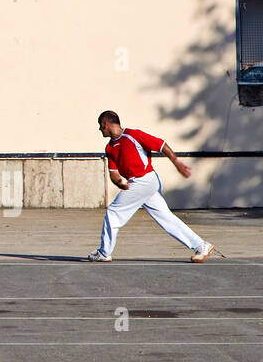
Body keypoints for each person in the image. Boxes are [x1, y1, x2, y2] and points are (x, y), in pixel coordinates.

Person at [88, 110, 215, 263]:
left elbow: (162, 145)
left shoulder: (133, 135)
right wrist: (120, 183)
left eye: (100, 126)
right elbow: (113, 173)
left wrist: (177, 163)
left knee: (113, 213)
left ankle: (104, 252)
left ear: (105, 124)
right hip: (141, 185)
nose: (99, 129)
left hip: (144, 180)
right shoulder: (110, 148)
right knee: (165, 217)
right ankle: (201, 245)